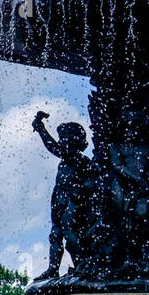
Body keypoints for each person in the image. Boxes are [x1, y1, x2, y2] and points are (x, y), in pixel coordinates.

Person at [32, 110, 97, 281]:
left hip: (74, 202)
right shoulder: (65, 163)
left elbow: (91, 186)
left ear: (76, 142)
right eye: (61, 140)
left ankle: (82, 264)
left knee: (71, 234)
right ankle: (53, 268)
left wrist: (41, 129)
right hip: (59, 198)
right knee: (55, 234)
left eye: (64, 140)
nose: (61, 144)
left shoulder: (82, 162)